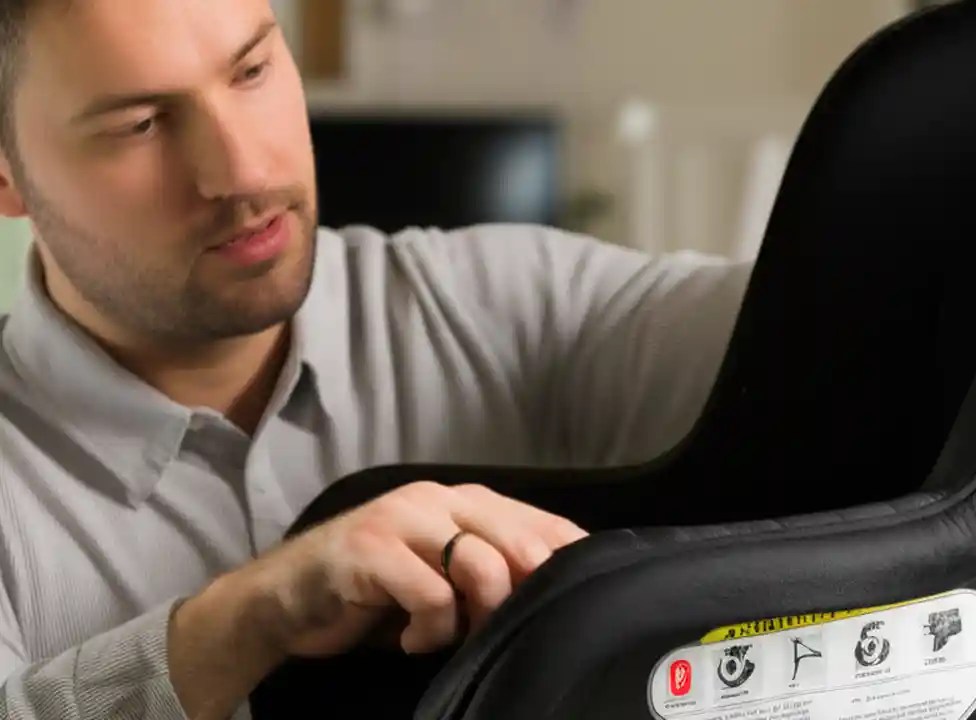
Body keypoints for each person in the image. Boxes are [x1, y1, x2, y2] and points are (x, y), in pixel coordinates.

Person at [0, 0, 750, 718]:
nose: (244, 173)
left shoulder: (506, 307)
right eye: (141, 123)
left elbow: (824, 307)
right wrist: (251, 619)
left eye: (252, 70)